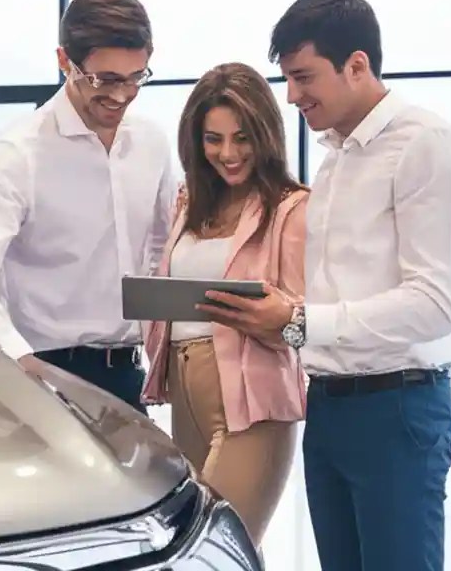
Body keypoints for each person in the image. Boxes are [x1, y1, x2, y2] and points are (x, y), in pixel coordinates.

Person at [208, 0, 451, 571]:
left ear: (356, 65)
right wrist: (284, 313)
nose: (292, 96)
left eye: (304, 77)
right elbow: (343, 293)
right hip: (329, 407)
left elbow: (435, 302)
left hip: (398, 407)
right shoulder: (337, 159)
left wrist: (300, 321)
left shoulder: (425, 147)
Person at [0, 0, 177, 414]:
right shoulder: (20, 152)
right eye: (104, 80)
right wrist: (19, 359)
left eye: (134, 78)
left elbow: (163, 253)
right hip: (43, 373)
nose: (120, 95)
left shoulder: (151, 143)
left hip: (128, 377)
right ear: (65, 61)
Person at [139, 61, 308, 547]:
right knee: (187, 552)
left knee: (218, 551)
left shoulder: (290, 208)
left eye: (242, 138)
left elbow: (302, 315)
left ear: (266, 135)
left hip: (252, 395)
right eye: (213, 139)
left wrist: (276, 317)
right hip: (184, 387)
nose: (227, 153)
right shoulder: (190, 201)